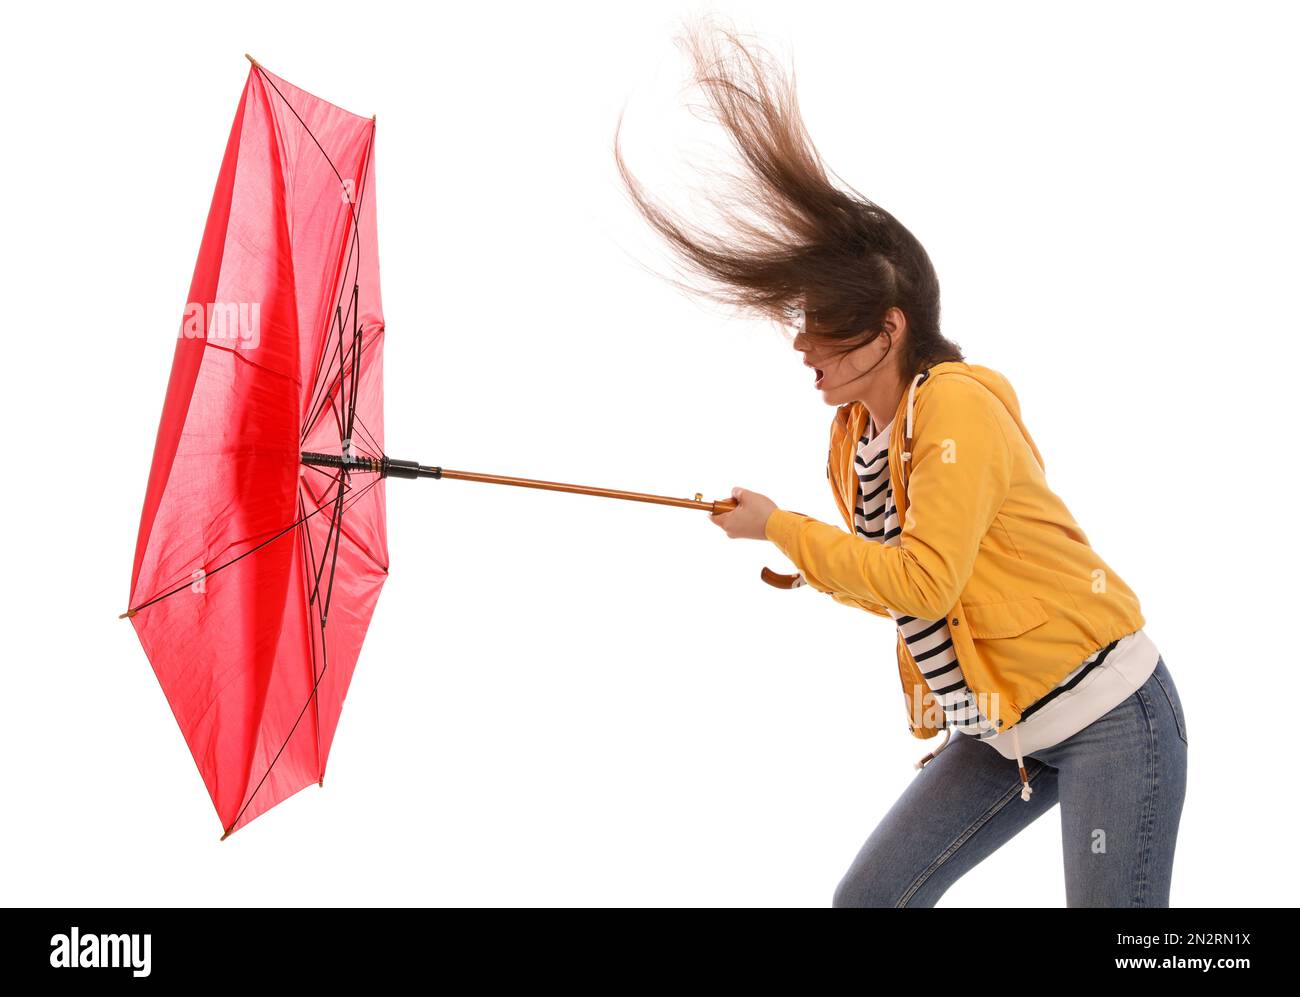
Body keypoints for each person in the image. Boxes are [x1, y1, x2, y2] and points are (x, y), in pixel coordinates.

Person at [615, 16, 1187, 907]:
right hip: (1003, 730)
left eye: (826, 332)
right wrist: (782, 547)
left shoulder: (955, 402)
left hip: (1111, 715)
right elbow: (899, 580)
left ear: (889, 330)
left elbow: (921, 581)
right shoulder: (853, 440)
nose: (805, 347)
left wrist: (784, 527)